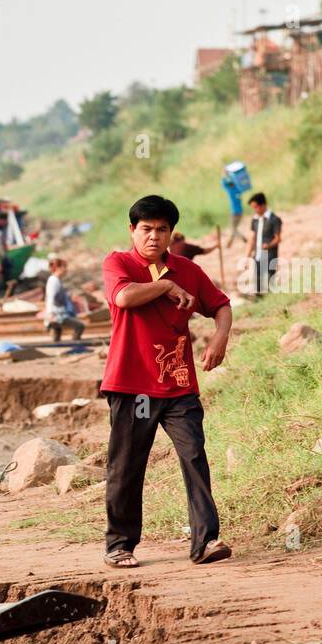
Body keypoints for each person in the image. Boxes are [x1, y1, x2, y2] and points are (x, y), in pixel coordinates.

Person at [101, 195, 233, 570]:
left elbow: (221, 305)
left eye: (161, 230)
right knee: (127, 466)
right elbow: (124, 298)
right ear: (132, 231)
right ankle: (119, 545)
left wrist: (219, 337)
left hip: (178, 385)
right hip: (131, 386)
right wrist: (163, 287)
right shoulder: (119, 263)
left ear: (171, 233)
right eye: (146, 230)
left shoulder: (187, 269)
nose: (153, 238)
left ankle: (205, 542)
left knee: (194, 457)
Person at [247, 193, 282, 297]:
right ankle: (258, 301)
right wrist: (247, 255)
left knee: (271, 278)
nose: (255, 210)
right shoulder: (255, 220)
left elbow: (278, 239)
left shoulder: (274, 219)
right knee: (257, 279)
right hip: (257, 254)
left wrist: (268, 245)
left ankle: (273, 300)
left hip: (270, 254)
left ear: (263, 205)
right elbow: (252, 238)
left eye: (256, 207)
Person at [43, 255, 85, 341]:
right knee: (79, 326)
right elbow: (50, 298)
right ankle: (76, 346)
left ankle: (56, 348)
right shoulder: (53, 281)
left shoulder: (56, 280)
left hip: (58, 313)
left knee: (57, 335)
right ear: (58, 268)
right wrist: (50, 314)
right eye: (64, 267)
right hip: (57, 314)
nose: (66, 269)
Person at [221, 167, 246, 245]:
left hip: (235, 212)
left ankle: (243, 238)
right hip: (240, 211)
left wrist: (224, 173)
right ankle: (230, 242)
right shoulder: (238, 190)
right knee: (233, 228)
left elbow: (223, 183)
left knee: (233, 228)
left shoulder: (231, 191)